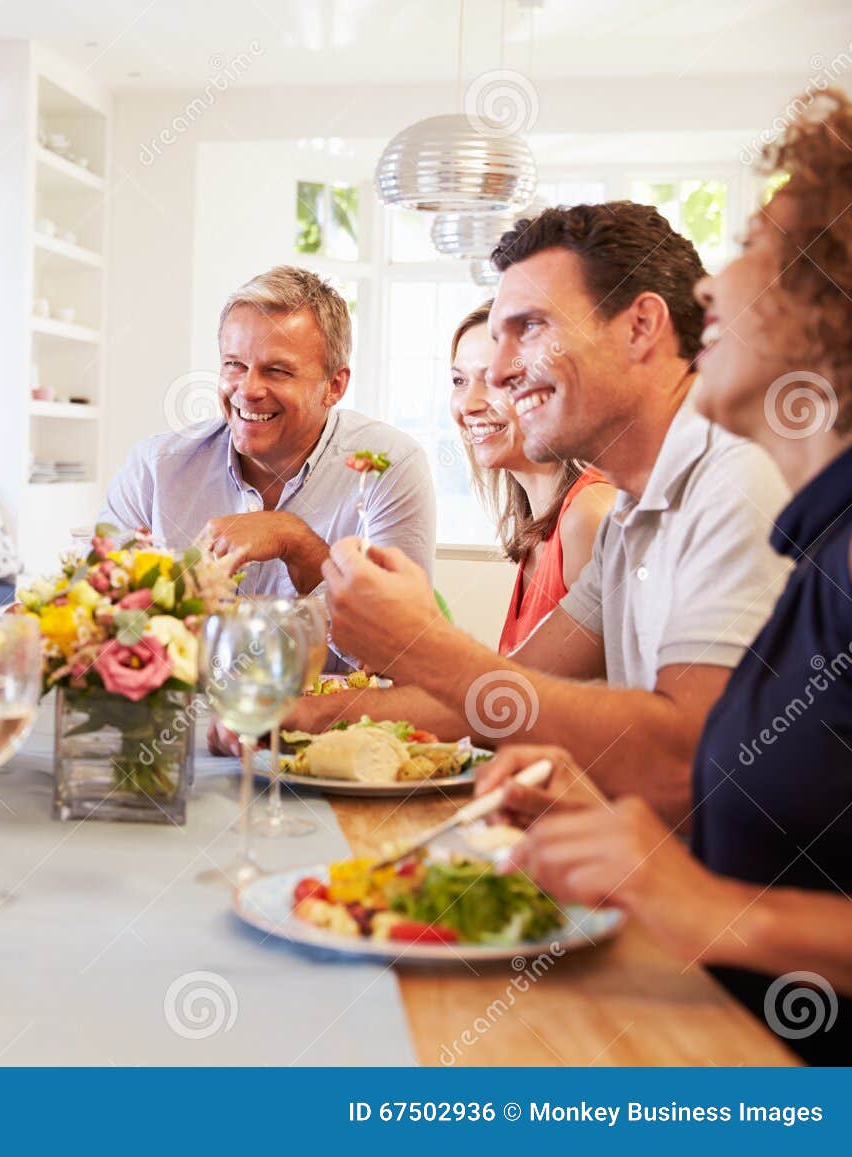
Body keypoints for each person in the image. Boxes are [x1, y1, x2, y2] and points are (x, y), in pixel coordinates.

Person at [479, 90, 852, 1064]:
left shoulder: (777, 509)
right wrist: (615, 826)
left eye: (756, 243)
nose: (712, 287)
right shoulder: (820, 538)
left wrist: (719, 910)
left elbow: (698, 791)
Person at [289, 201, 791, 820]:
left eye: (530, 328)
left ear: (641, 327)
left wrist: (420, 646)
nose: (499, 373)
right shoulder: (633, 510)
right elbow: (508, 694)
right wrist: (301, 717)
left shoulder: (735, 480)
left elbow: (686, 760)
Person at [100, 265, 435, 596]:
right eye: (235, 364)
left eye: (277, 370)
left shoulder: (388, 466)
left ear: (334, 385)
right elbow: (92, 613)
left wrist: (296, 542)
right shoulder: (154, 467)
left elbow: (399, 642)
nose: (247, 390)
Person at [448, 301, 614, 654]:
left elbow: (587, 701)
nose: (469, 404)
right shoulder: (539, 528)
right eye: (459, 380)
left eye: (496, 380)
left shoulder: (589, 517)